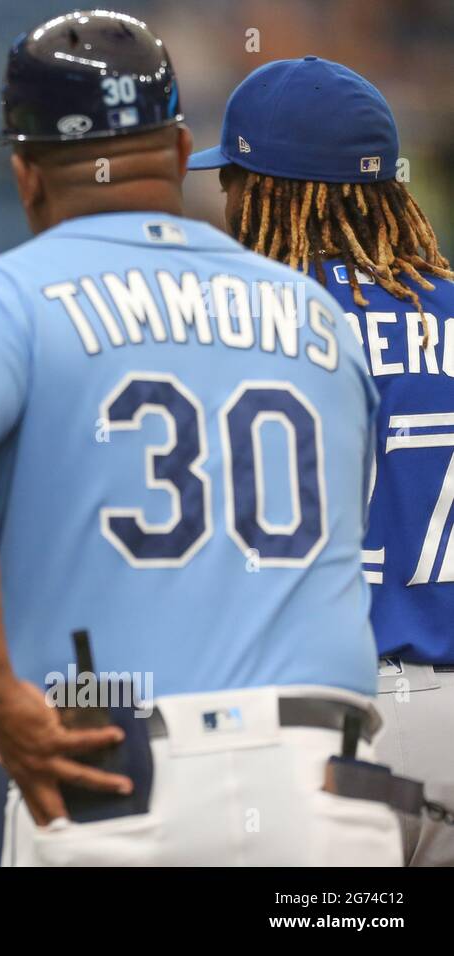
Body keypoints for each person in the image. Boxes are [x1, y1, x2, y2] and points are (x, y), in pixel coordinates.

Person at [0, 10, 401, 865]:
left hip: (121, 781)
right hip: (326, 792)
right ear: (182, 152)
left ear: (27, 174)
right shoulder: (316, 315)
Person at [189, 56, 454, 865]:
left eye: (234, 181)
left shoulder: (234, 326)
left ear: (269, 189)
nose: (226, 201)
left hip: (317, 725)